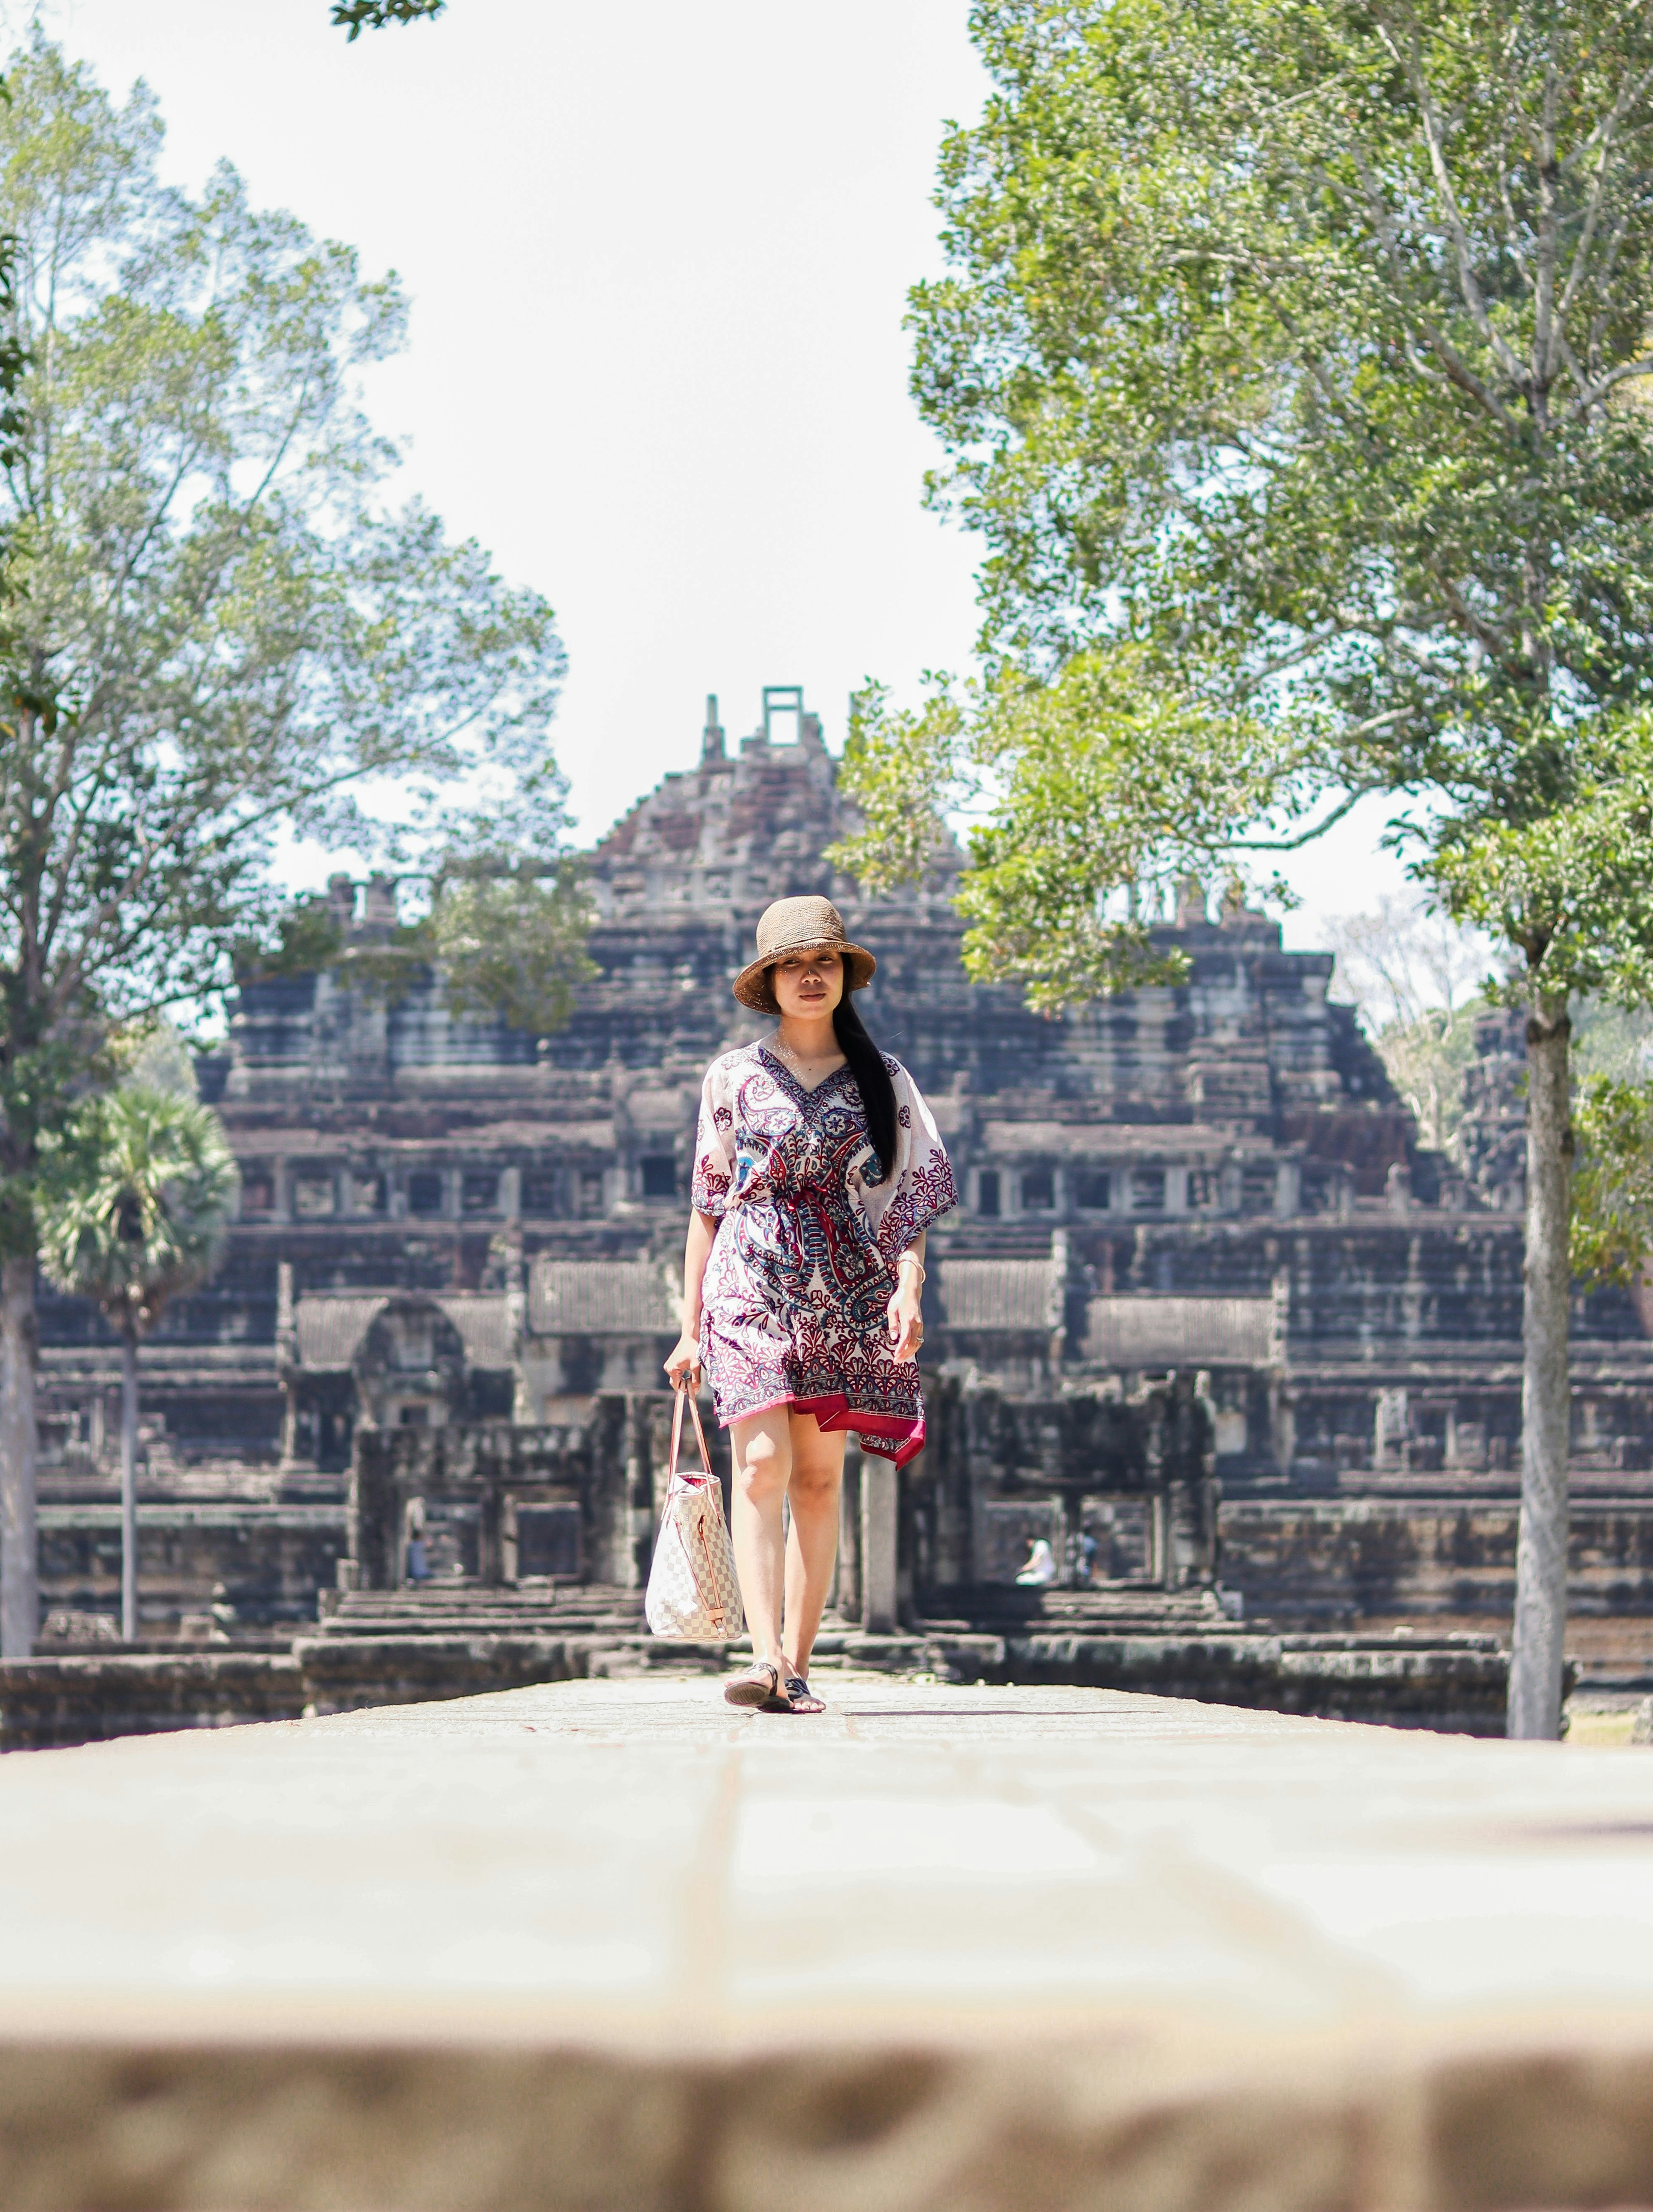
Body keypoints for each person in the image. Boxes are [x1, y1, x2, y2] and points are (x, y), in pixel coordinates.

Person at [665, 895, 956, 1715]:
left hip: (844, 1286)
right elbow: (707, 1204)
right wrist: (689, 1327)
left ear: (844, 976)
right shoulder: (731, 1076)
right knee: (759, 1468)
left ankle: (796, 1666)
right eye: (792, 965)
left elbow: (909, 1198)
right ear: (770, 981)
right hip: (748, 1280)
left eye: (822, 962)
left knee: (820, 1483)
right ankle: (760, 1655)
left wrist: (909, 1286)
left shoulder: (883, 1078)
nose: (810, 976)